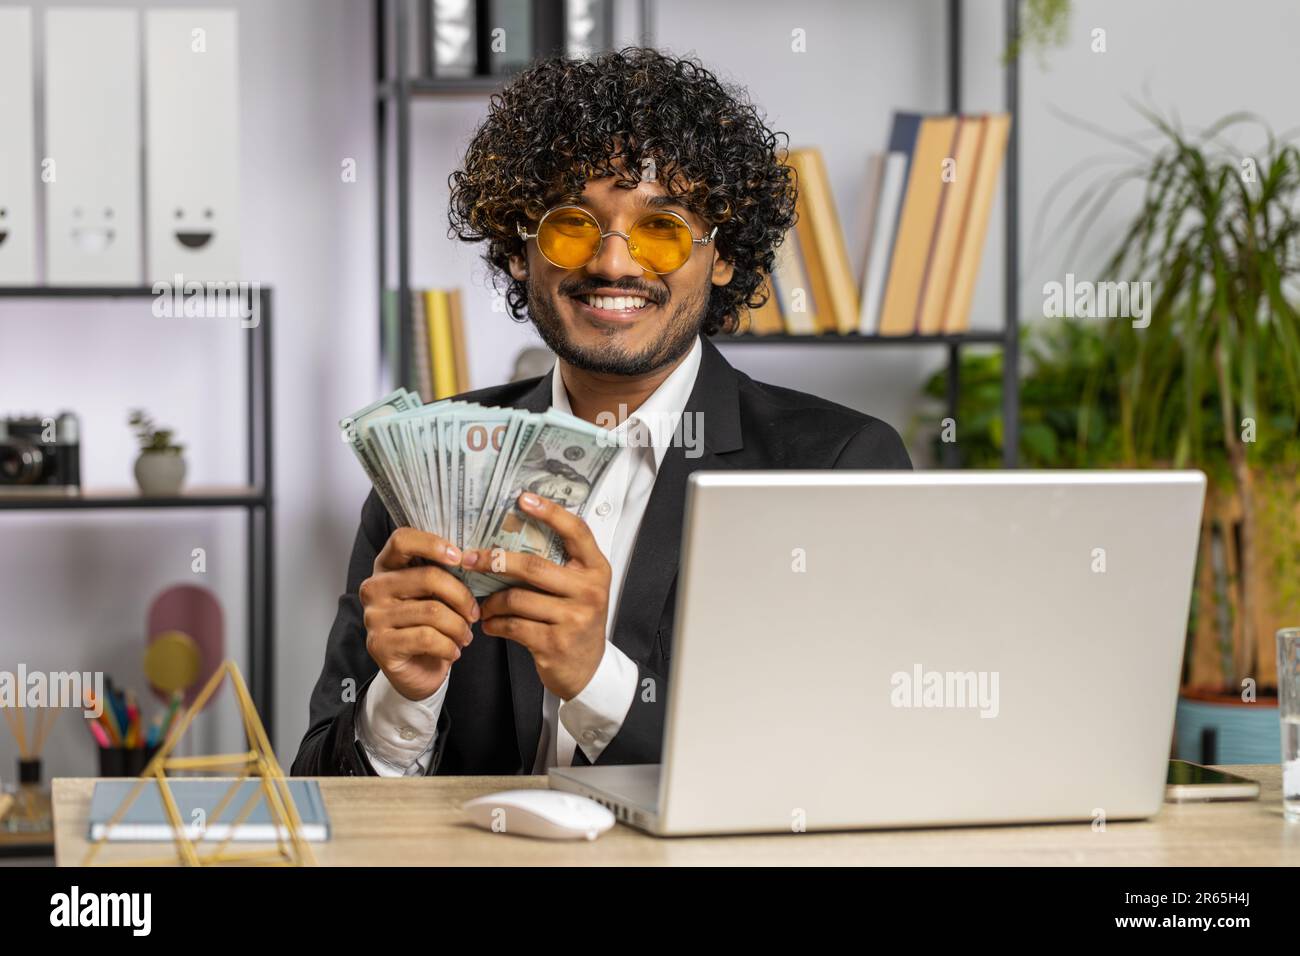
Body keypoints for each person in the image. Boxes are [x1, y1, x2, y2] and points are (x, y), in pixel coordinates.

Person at [293, 48, 912, 778]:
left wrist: (596, 682)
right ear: (520, 250)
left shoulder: (834, 467)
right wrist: (401, 700)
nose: (615, 264)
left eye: (661, 228)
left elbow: (843, 775)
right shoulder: (428, 465)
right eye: (573, 224)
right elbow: (323, 790)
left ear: (721, 256)